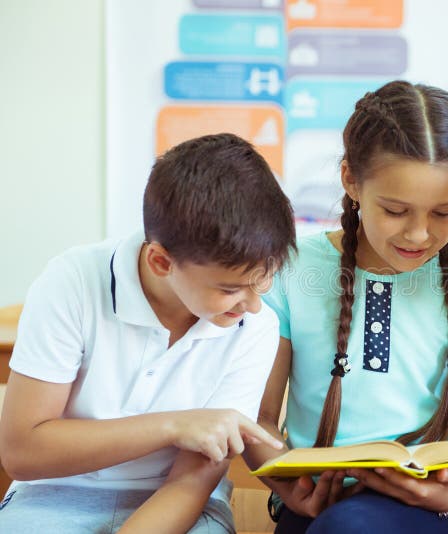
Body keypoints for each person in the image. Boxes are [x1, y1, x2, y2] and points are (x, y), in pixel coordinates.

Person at [0, 133, 296, 533]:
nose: (252, 305)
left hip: (182, 503)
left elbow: (193, 480)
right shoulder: (72, 283)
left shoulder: (256, 328)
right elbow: (23, 452)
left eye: (263, 281)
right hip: (53, 495)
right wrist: (174, 425)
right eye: (228, 290)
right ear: (160, 261)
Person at [242, 80, 448, 534]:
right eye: (396, 211)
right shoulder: (291, 272)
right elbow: (259, 422)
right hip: (313, 506)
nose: (419, 235)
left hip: (427, 513)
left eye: (443, 213)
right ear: (350, 181)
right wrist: (286, 485)